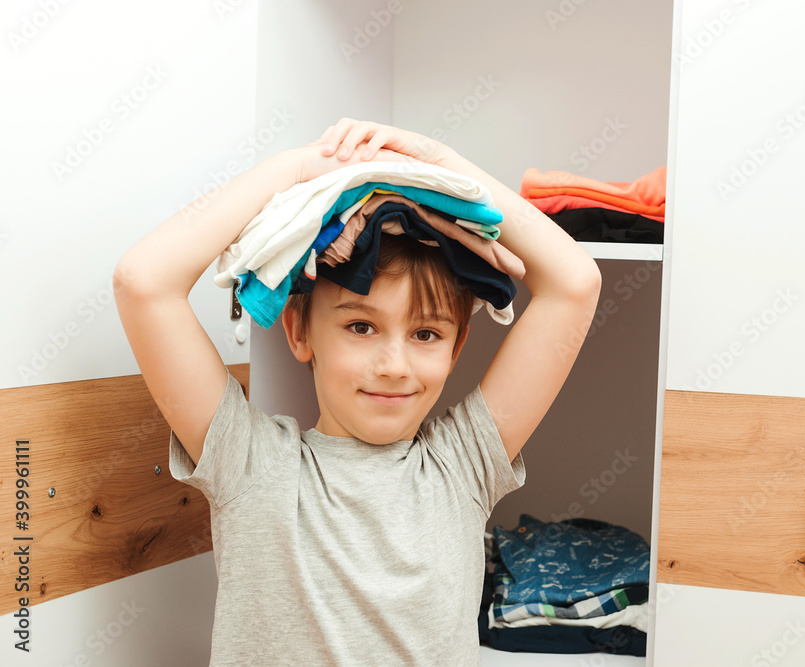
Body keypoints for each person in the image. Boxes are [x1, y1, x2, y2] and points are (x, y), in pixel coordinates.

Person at [113, 119, 602, 665]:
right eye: (361, 327)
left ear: (456, 347)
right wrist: (300, 170)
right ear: (299, 331)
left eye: (425, 334)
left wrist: (432, 162)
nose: (394, 366)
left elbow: (575, 283)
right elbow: (143, 282)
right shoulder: (249, 464)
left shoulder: (463, 466)